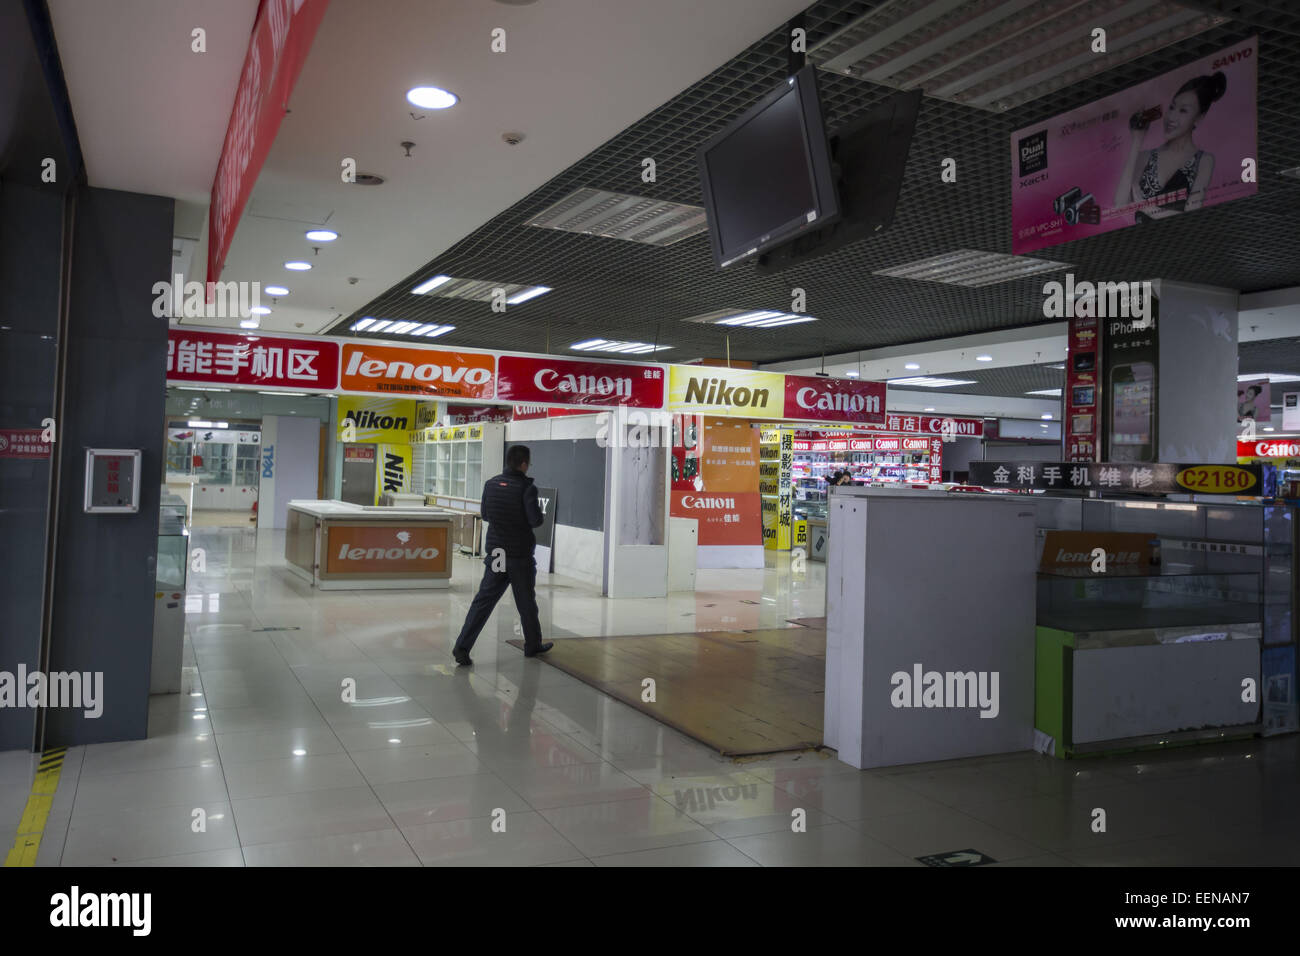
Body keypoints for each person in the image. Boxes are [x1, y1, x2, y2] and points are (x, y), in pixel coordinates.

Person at [451, 444, 552, 665]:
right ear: (524, 464)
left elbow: (485, 515)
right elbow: (535, 520)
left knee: (483, 602)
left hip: (497, 554)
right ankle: (532, 645)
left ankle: (461, 648)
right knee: (525, 602)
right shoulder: (527, 489)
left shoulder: (491, 484)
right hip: (519, 557)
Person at [1114, 71, 1226, 223]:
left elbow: (1191, 214)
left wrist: (1143, 205)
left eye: (1183, 110)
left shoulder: (1204, 161)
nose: (1172, 117)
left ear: (1199, 118)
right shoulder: (1145, 156)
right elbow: (1120, 204)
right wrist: (1137, 140)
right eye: (1172, 107)